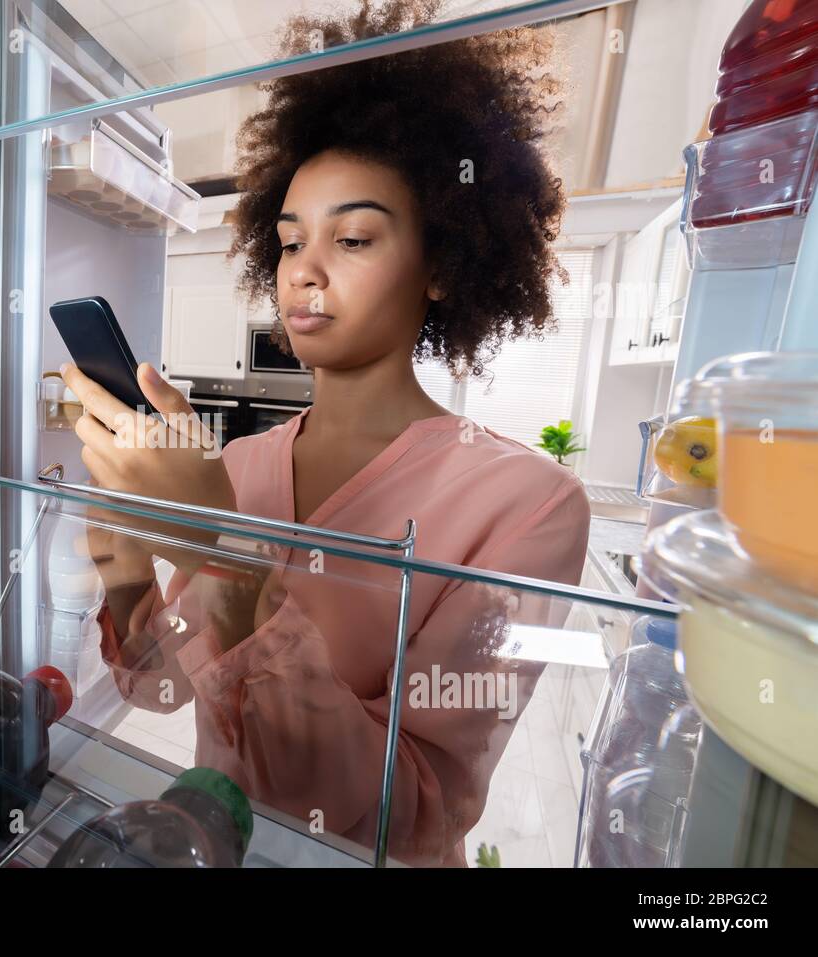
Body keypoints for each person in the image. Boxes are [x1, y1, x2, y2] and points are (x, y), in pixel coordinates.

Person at [59, 0, 590, 866]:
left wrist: (229, 551)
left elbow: (410, 810)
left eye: (352, 237)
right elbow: (158, 683)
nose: (302, 270)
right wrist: (119, 550)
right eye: (290, 239)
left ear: (445, 267)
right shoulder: (238, 464)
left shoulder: (528, 507)